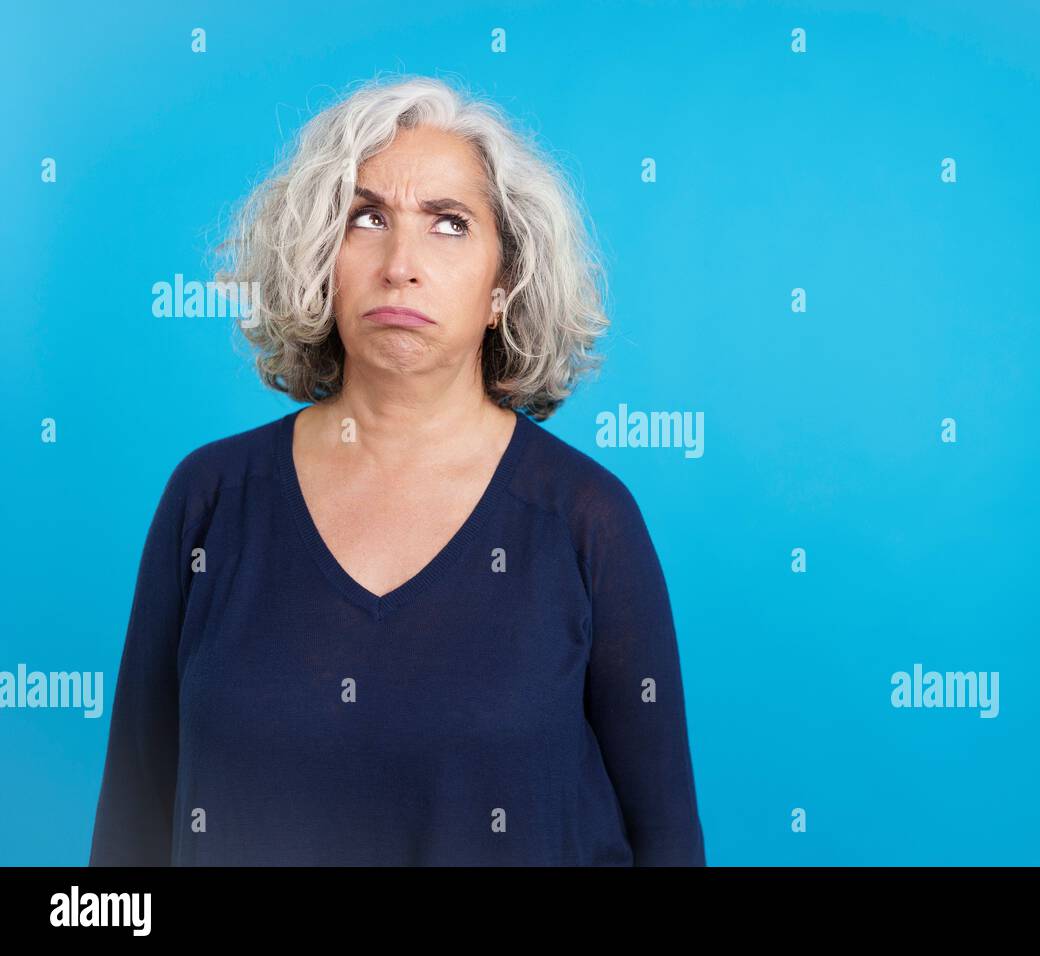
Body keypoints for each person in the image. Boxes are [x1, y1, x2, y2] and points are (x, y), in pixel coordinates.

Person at [88, 75, 706, 866]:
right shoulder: (210, 500)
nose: (400, 264)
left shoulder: (588, 519)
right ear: (320, 256)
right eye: (366, 218)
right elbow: (126, 844)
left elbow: (669, 843)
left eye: (449, 224)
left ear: (502, 287)